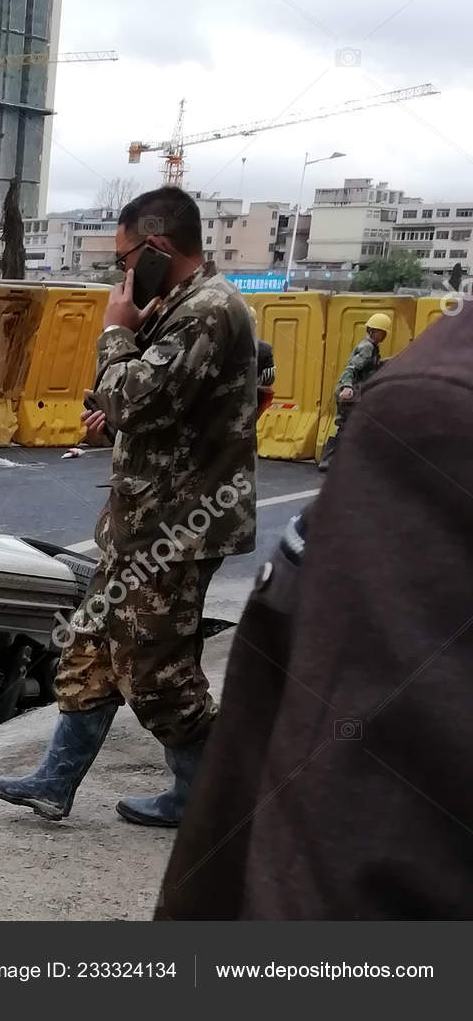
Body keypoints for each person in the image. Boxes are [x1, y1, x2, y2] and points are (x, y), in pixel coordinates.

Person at [158, 307, 472, 917]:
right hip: (175, 523)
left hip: (174, 527)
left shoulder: (435, 411)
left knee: (153, 668)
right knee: (108, 658)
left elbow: (352, 840)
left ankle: (174, 777)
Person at [0, 187, 259, 827]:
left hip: (176, 531)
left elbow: (138, 396)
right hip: (142, 524)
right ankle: (55, 780)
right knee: (89, 650)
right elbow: (159, 410)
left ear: (157, 248)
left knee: (159, 676)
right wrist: (115, 419)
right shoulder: (180, 307)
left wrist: (114, 332)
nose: (122, 275)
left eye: (124, 259)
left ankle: (211, 799)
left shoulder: (207, 311)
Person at [318, 312, 391, 471]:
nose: (384, 335)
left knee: (354, 425)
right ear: (373, 331)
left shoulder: (372, 348)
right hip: (350, 392)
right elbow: (351, 368)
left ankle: (343, 460)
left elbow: (370, 368)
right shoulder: (367, 348)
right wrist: (347, 387)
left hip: (356, 392)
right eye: (382, 332)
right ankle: (328, 460)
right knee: (347, 426)